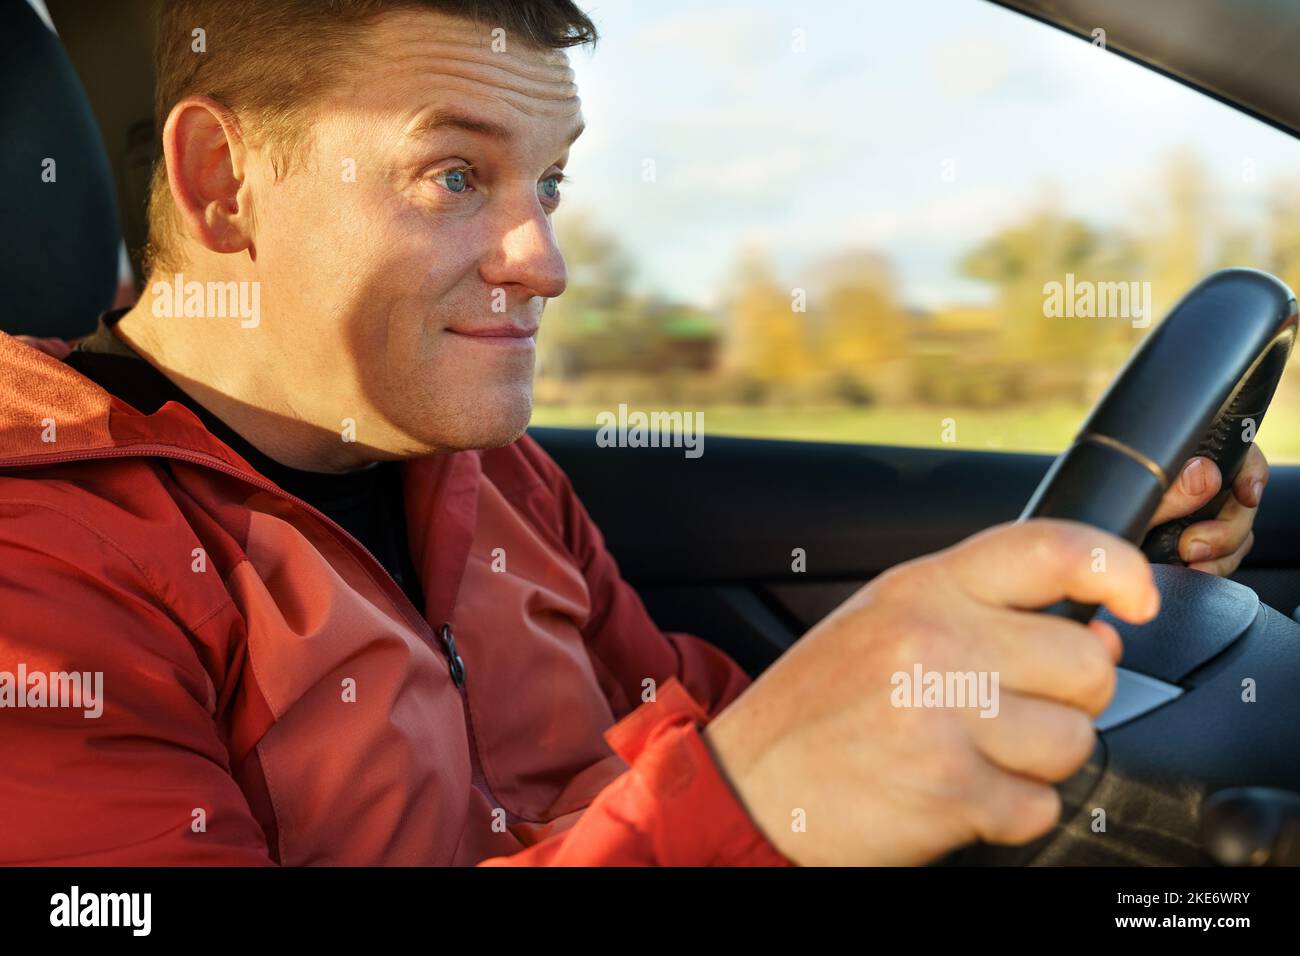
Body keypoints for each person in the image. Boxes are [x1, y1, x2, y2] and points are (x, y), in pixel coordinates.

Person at [0, 0, 1268, 866]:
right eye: (455, 176)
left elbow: (667, 726)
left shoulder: (493, 476)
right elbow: (723, 786)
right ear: (225, 184)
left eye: (548, 181)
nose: (543, 261)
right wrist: (755, 798)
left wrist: (998, 627)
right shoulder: (39, 570)